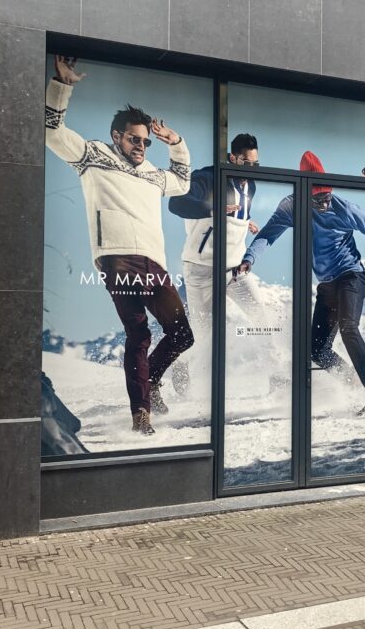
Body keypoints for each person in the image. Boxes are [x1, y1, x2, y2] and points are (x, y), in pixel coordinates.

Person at [45, 55, 194, 436]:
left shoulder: (153, 174)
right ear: (117, 136)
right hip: (117, 259)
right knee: (139, 334)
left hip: (153, 262)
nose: (141, 145)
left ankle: (153, 382)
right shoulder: (93, 155)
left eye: (145, 140)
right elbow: (51, 130)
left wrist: (175, 142)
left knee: (181, 334)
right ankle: (141, 412)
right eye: (134, 138)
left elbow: (183, 180)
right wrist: (62, 86)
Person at [236, 151, 365, 414]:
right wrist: (250, 258)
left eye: (327, 197)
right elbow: (268, 234)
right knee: (316, 349)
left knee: (348, 327)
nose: (324, 205)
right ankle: (352, 381)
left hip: (351, 276)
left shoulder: (345, 209)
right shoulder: (292, 206)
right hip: (327, 285)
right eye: (318, 200)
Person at [168, 133, 262, 333]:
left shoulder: (250, 186)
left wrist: (245, 221)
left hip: (235, 271)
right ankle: (185, 364)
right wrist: (213, 209)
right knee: (205, 337)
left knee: (265, 320)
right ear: (232, 158)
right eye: (245, 163)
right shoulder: (209, 178)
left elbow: (233, 211)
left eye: (255, 165)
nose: (250, 170)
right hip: (202, 270)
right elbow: (176, 203)